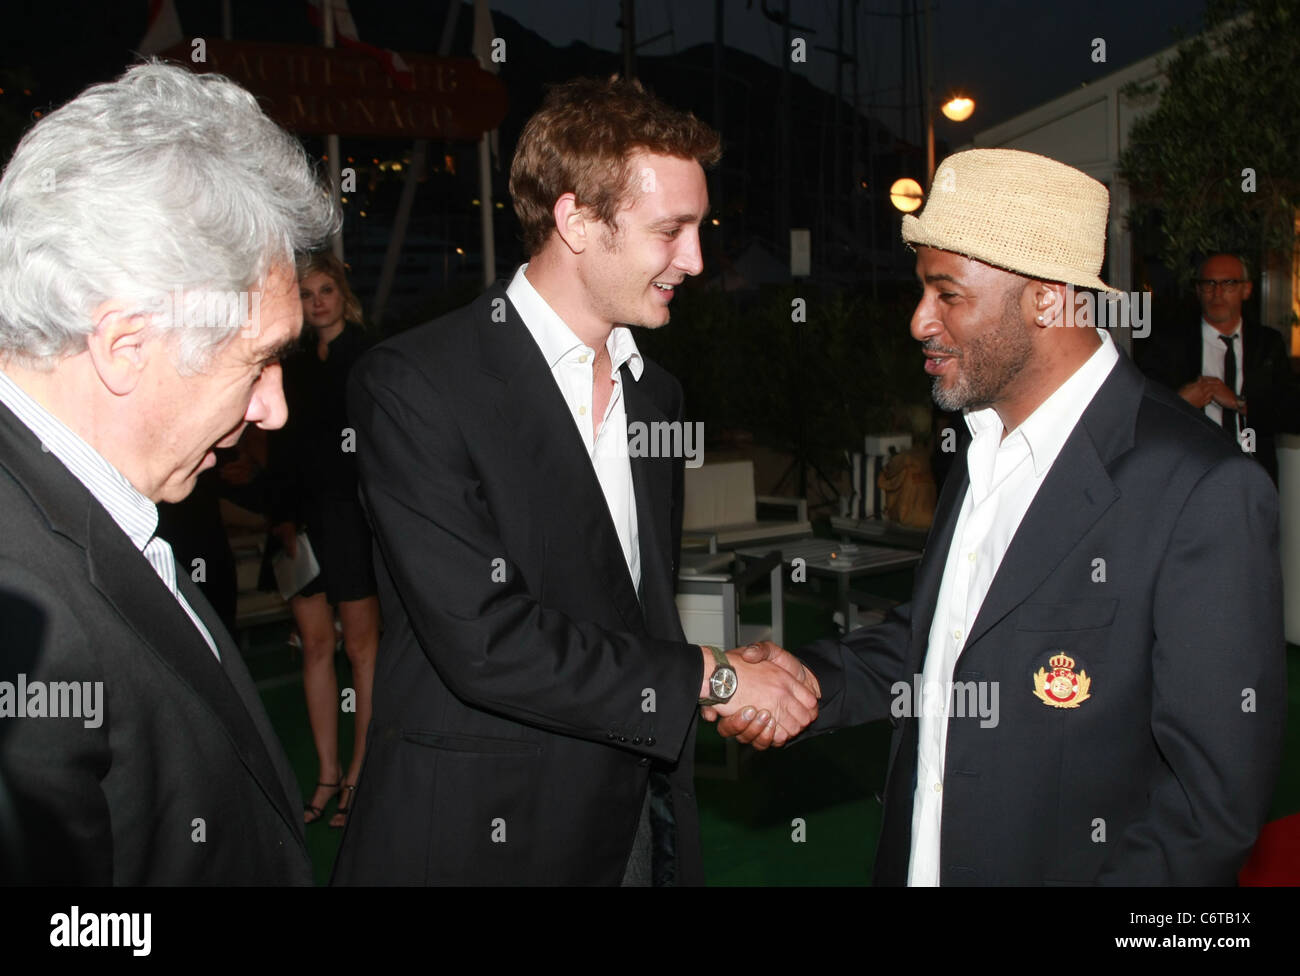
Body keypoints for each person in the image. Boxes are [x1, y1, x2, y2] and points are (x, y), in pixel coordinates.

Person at [713, 149, 1286, 885]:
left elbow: (1210, 813)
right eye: (922, 290)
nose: (920, 320)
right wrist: (803, 685)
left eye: (947, 293)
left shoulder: (1200, 489)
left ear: (1047, 299)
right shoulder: (980, 443)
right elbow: (938, 644)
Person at [331, 76, 819, 886]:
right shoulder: (416, 382)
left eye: (700, 229)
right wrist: (718, 676)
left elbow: (629, 612)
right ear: (577, 221)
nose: (695, 260)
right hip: (474, 832)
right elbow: (485, 642)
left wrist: (721, 675)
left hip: (633, 813)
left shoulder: (657, 392)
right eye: (672, 230)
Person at [0, 61, 338, 883]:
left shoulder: (94, 500)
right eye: (258, 362)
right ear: (125, 345)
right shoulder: (21, 611)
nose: (275, 409)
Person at [267, 252, 379, 828]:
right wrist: (281, 516)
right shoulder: (290, 363)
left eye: (325, 290)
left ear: (342, 293)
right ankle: (327, 774)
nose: (316, 301)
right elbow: (280, 447)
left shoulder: (367, 357)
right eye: (307, 293)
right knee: (314, 648)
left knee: (362, 650)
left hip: (352, 521)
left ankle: (360, 772)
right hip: (300, 521)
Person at [1139, 253, 1300, 484]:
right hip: (1190, 473)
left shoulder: (1267, 344)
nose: (1217, 293)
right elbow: (1142, 409)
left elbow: (1291, 413)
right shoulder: (1171, 344)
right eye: (1209, 284)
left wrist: (1239, 403)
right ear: (1198, 291)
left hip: (1253, 473)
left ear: (1246, 290)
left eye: (1229, 284)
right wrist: (1179, 403)